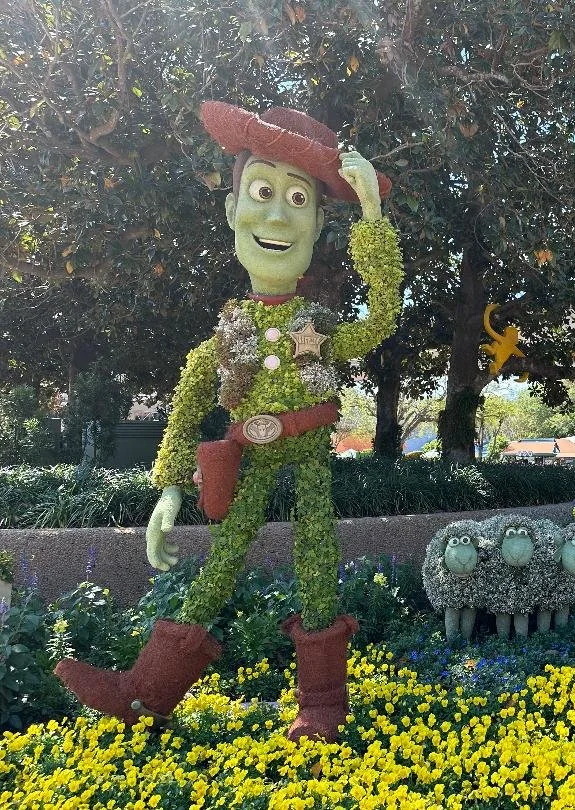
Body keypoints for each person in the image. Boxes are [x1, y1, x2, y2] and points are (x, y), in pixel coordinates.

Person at [54, 102, 403, 742]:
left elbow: (379, 321)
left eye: (298, 200)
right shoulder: (225, 339)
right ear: (232, 209)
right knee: (218, 568)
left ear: (321, 226)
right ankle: (146, 692)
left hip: (309, 463)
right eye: (262, 193)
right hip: (247, 462)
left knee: (317, 564)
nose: (276, 215)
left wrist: (374, 220)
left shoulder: (320, 327)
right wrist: (169, 490)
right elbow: (186, 410)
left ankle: (322, 704)